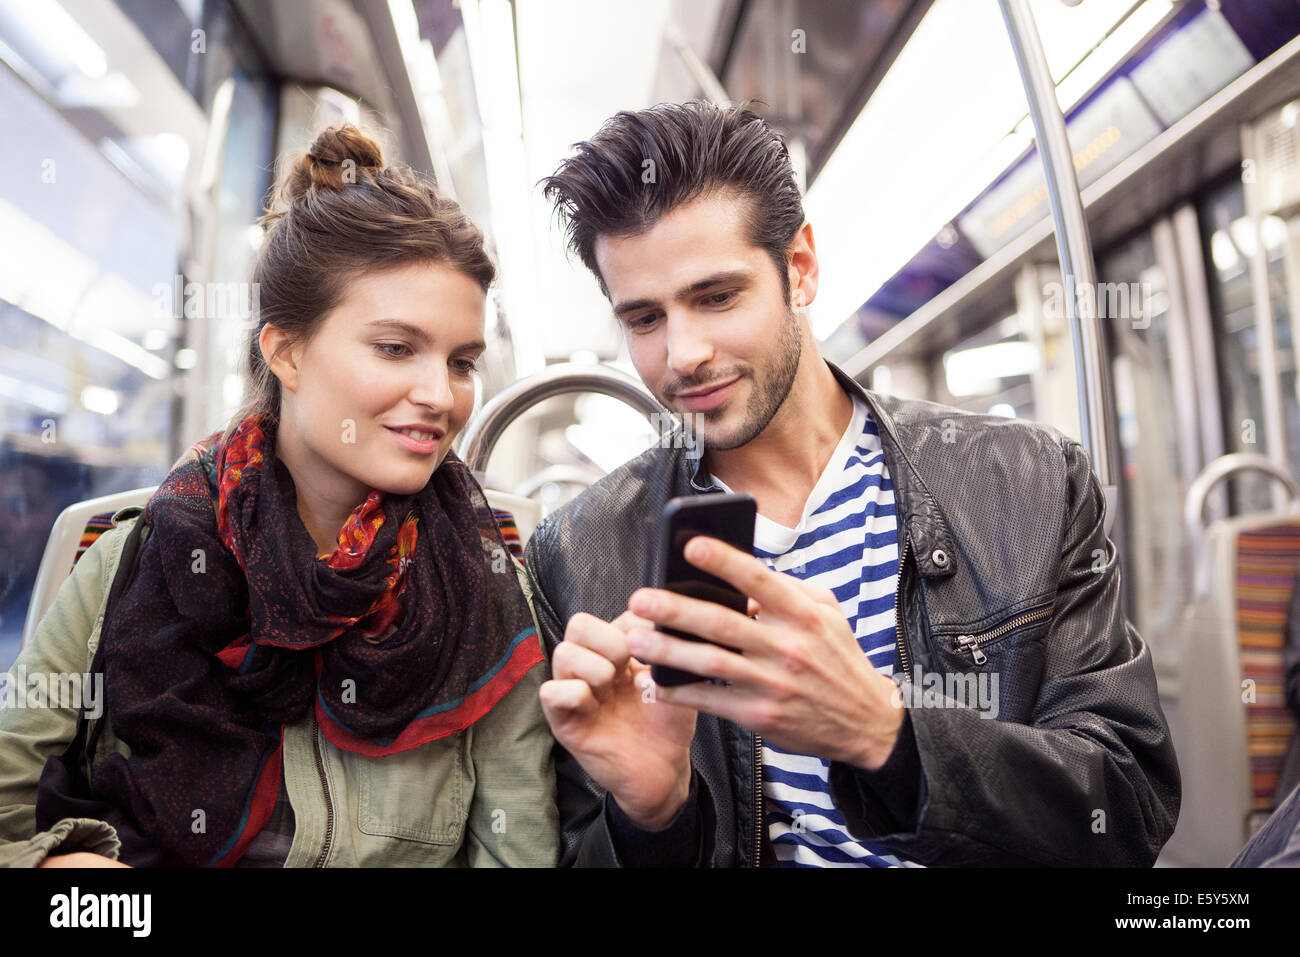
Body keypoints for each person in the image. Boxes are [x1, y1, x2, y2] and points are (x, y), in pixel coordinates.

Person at [527, 100, 1181, 867]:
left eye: (716, 296)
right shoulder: (580, 552)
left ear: (798, 267)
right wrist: (653, 817)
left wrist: (885, 735)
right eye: (643, 318)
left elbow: (1127, 803)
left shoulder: (1029, 483)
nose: (684, 353)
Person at [0, 125, 557, 867]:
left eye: (461, 361)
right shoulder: (132, 558)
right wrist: (62, 867)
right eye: (396, 348)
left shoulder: (486, 591)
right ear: (286, 351)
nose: (439, 395)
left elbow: (517, 850)